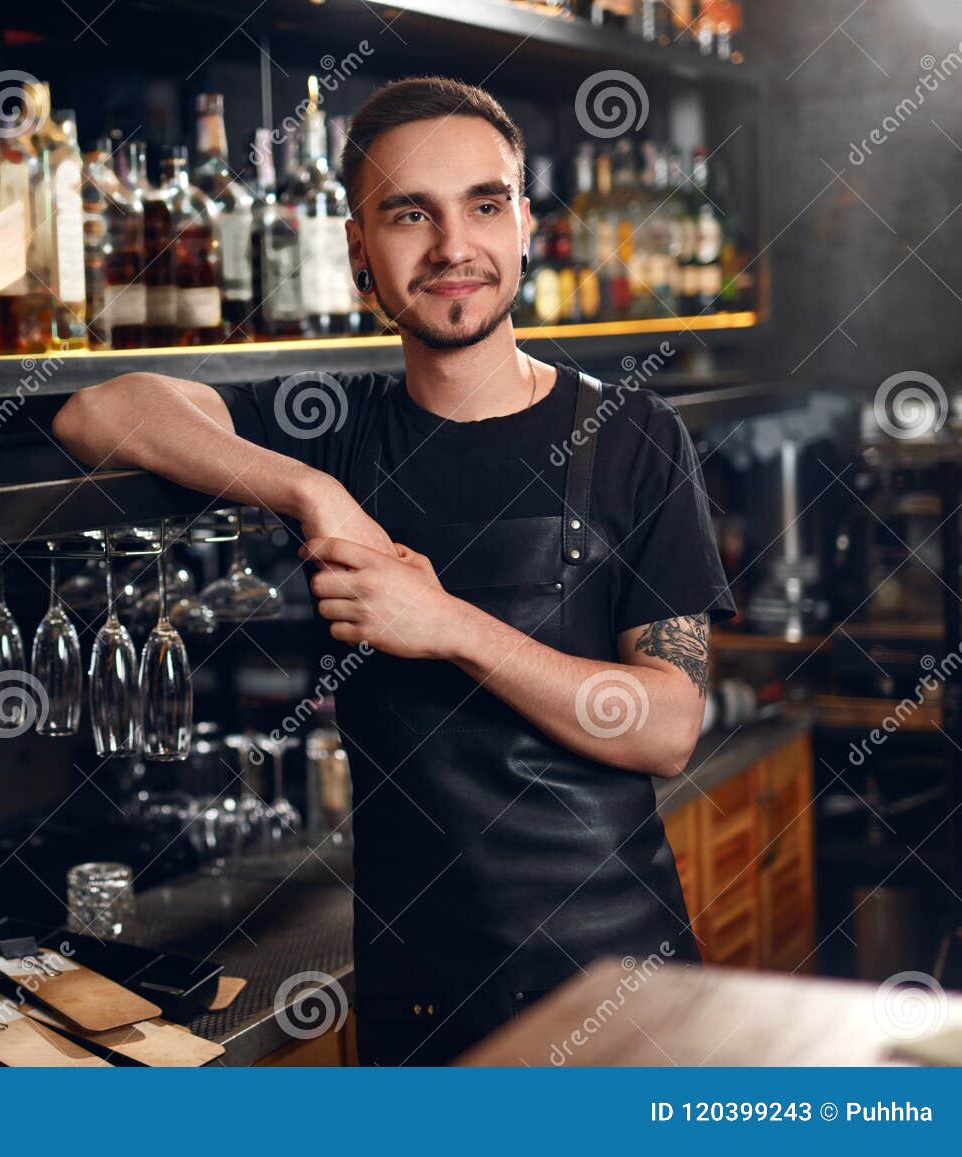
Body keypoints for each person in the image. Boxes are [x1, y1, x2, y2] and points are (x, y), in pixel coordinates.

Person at [52, 76, 736, 1065]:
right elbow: (99, 410)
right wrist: (310, 490)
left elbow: (665, 727)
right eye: (410, 214)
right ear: (357, 250)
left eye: (484, 206)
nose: (453, 246)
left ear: (525, 226)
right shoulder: (334, 429)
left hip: (616, 986)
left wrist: (445, 622)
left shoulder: (633, 434)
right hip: (415, 1006)